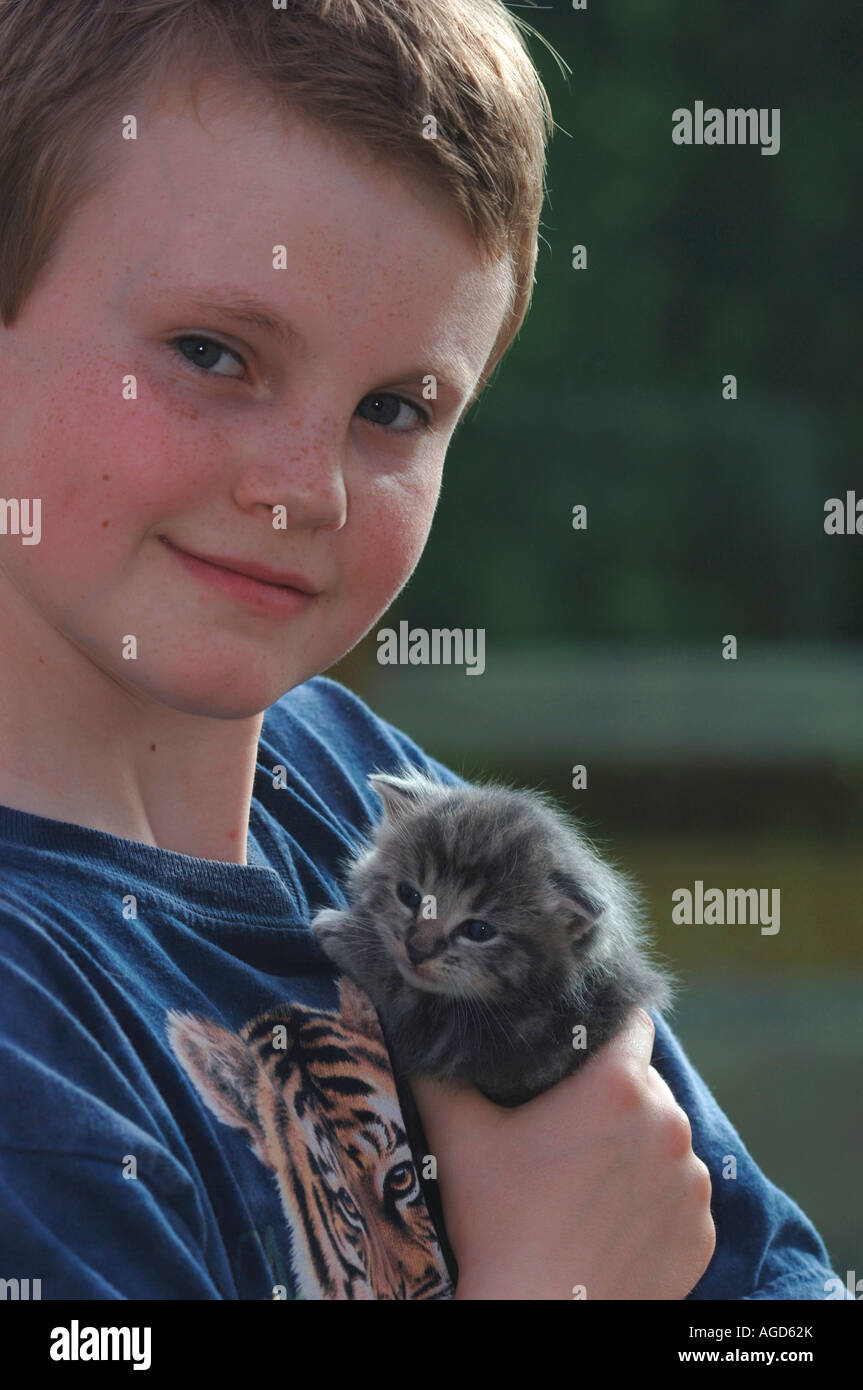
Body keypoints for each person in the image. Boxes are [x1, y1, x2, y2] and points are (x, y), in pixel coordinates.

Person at [0, 0, 842, 1300]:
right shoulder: (30, 1042)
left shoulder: (393, 809)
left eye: (396, 408)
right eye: (213, 353)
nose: (309, 492)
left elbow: (768, 1284)